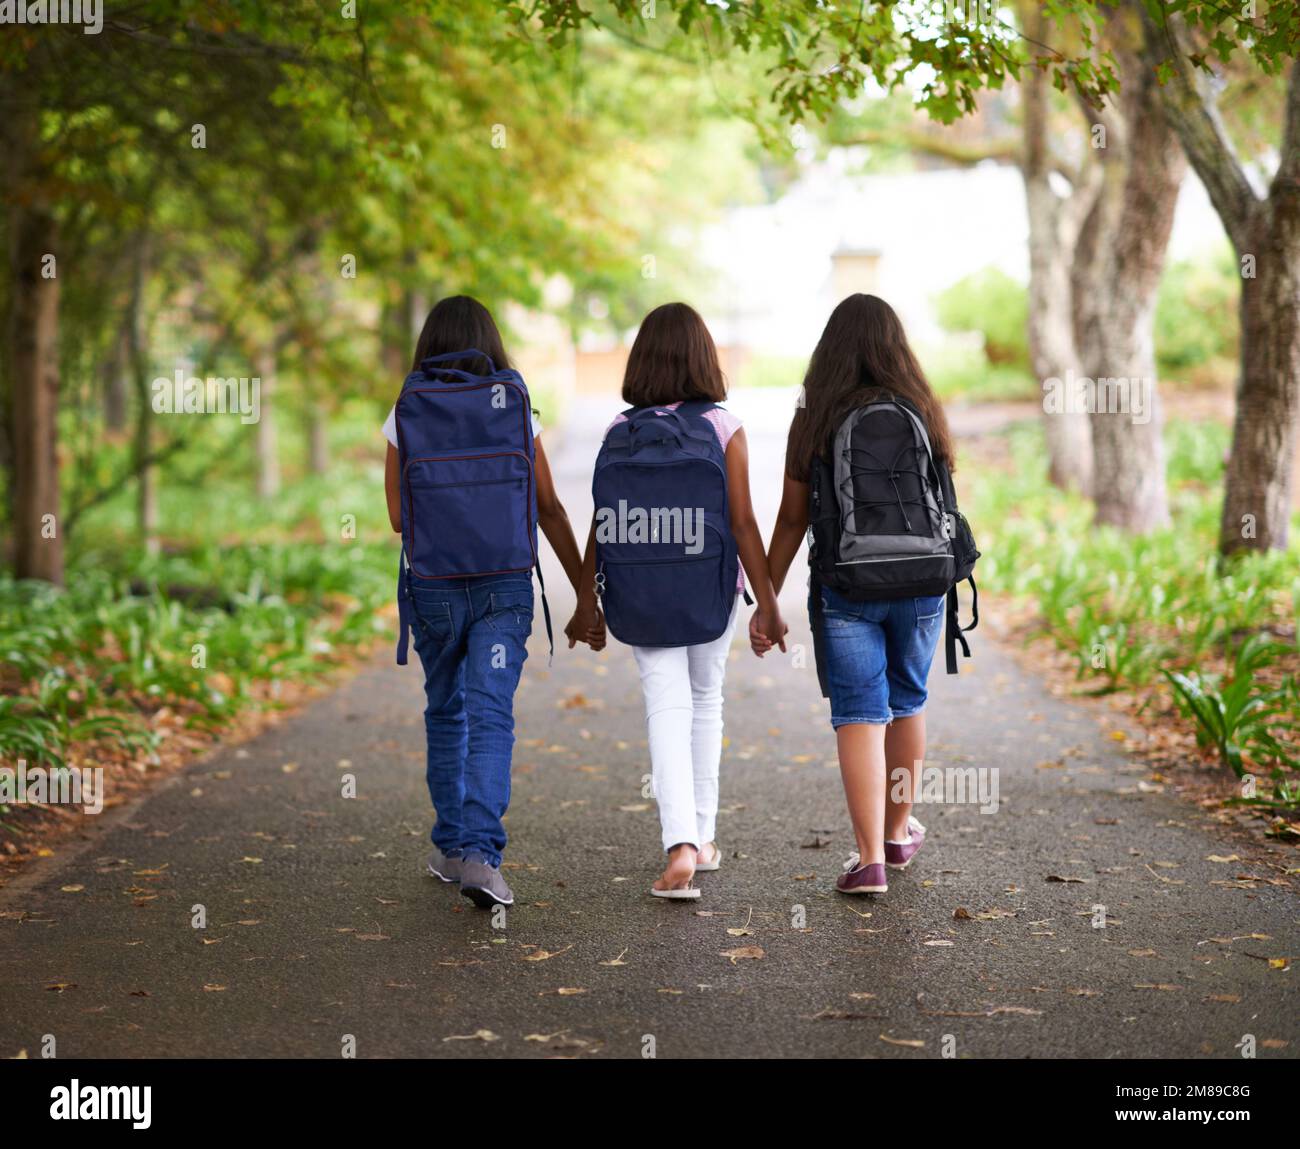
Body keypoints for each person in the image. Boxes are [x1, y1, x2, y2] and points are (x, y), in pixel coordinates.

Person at [382, 295, 601, 908]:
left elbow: (400, 518)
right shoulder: (513, 405)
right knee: (491, 714)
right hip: (504, 585)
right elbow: (550, 508)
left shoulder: (406, 408)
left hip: (433, 587)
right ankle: (482, 856)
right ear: (492, 341)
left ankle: (451, 847)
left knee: (446, 710)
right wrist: (585, 592)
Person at [567, 302, 786, 899]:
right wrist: (767, 601)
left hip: (641, 591)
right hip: (710, 588)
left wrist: (586, 601)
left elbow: (602, 522)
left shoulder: (619, 431)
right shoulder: (722, 427)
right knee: (706, 699)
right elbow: (743, 523)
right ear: (704, 359)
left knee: (665, 706)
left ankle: (682, 844)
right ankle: (703, 838)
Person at [754, 294, 956, 896]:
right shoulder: (921, 405)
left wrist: (768, 599)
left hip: (847, 585)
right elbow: (943, 506)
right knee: (907, 702)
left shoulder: (814, 412)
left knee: (859, 716)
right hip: (921, 581)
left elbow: (792, 519)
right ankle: (897, 833)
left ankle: (868, 861)